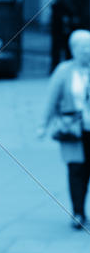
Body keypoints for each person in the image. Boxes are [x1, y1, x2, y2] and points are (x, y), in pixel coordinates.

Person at [39, 28, 90, 228]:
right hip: (74, 130)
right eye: (83, 47)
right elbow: (52, 100)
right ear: (73, 49)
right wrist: (43, 125)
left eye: (89, 47)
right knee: (76, 169)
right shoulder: (64, 71)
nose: (87, 51)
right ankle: (78, 212)